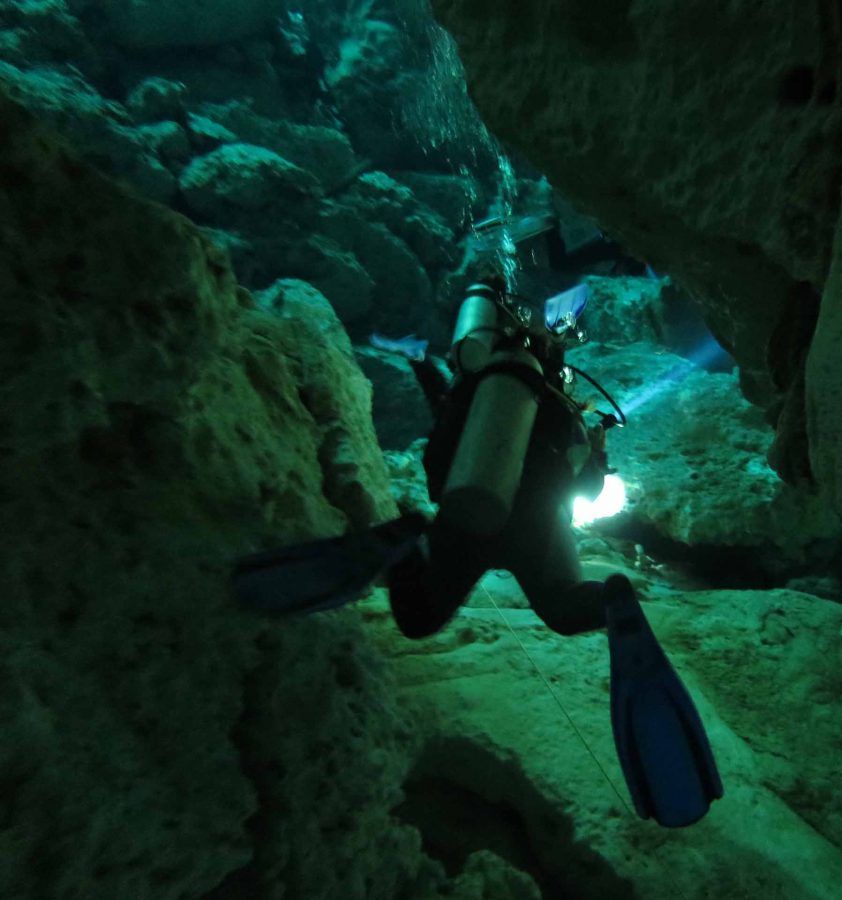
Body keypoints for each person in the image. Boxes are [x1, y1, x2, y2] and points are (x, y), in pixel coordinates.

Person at [232, 277, 722, 828]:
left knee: (418, 619)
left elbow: (442, 438)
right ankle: (612, 600)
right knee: (563, 608)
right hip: (537, 527)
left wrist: (424, 370)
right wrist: (597, 454)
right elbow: (582, 493)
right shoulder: (560, 404)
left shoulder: (476, 387)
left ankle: (404, 541)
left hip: (463, 518)